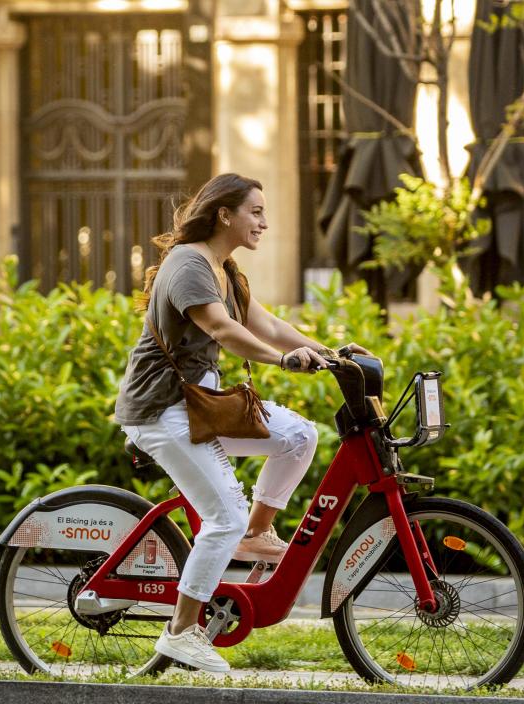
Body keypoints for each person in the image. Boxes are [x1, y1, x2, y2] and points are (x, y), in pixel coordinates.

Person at [114, 173, 367, 673]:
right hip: (162, 410)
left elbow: (266, 324)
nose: (265, 223)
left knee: (298, 435)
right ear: (224, 214)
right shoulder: (188, 263)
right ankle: (181, 633)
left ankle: (255, 534)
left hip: (202, 404)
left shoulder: (224, 268)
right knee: (222, 515)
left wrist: (327, 352)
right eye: (256, 212)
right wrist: (282, 362)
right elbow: (220, 327)